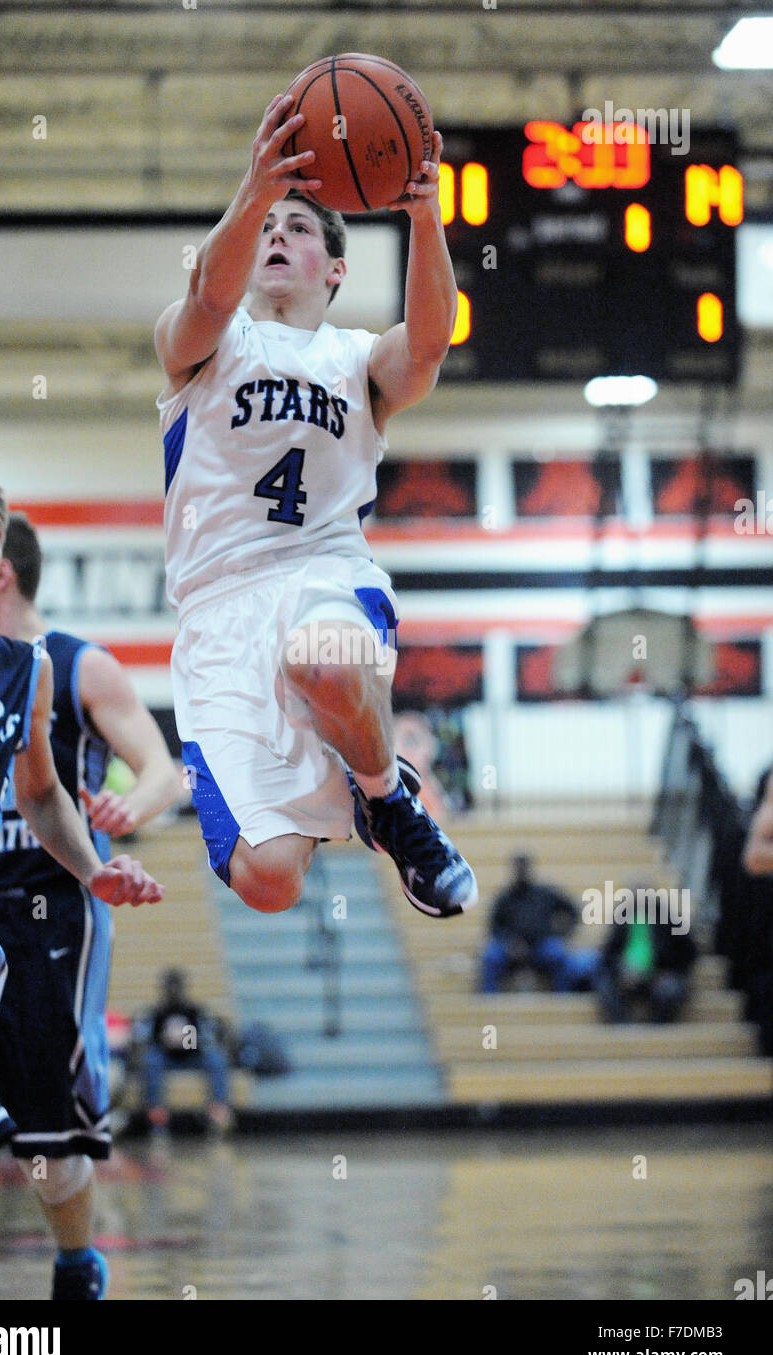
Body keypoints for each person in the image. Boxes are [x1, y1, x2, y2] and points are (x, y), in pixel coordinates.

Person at [154, 92, 477, 920]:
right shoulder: (203, 344)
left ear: (337, 269)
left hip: (319, 571)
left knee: (326, 656)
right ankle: (358, 777)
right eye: (268, 228)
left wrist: (427, 216)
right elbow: (206, 297)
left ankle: (390, 803)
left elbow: (432, 342)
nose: (277, 237)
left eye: (299, 229)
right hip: (216, 614)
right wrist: (255, 193)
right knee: (270, 882)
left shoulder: (359, 359)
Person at [0, 472, 163, 1300]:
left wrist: (99, 864)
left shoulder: (34, 669)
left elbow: (46, 793)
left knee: (33, 1127)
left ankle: (75, 1261)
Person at [0, 512, 180, 1300]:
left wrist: (136, 808)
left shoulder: (77, 663)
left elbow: (161, 766)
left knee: (52, 1106)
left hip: (52, 894)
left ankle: (75, 1263)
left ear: (0, 571)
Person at [135, 969, 232, 1135]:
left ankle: (218, 1107)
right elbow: (141, 1036)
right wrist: (162, 1040)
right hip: (164, 1058)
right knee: (151, 1060)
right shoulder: (156, 1013)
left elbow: (212, 1033)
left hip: (192, 1056)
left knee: (216, 1059)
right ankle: (156, 1110)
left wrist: (193, 1039)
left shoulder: (195, 1011)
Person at [480, 853, 585, 993]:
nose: (521, 870)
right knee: (490, 956)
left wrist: (562, 932)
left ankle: (563, 998)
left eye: (524, 866)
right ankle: (488, 1004)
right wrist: (509, 943)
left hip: (541, 946)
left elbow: (573, 911)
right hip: (510, 949)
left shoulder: (545, 893)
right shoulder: (504, 898)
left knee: (558, 954)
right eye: (518, 866)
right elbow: (494, 928)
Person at [595, 898, 698, 1024]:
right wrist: (621, 972)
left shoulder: (669, 919)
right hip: (628, 978)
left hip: (661, 976)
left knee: (671, 989)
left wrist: (668, 972)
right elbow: (608, 954)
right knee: (605, 985)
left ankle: (658, 1029)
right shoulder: (621, 918)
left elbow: (689, 951)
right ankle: (622, 1028)